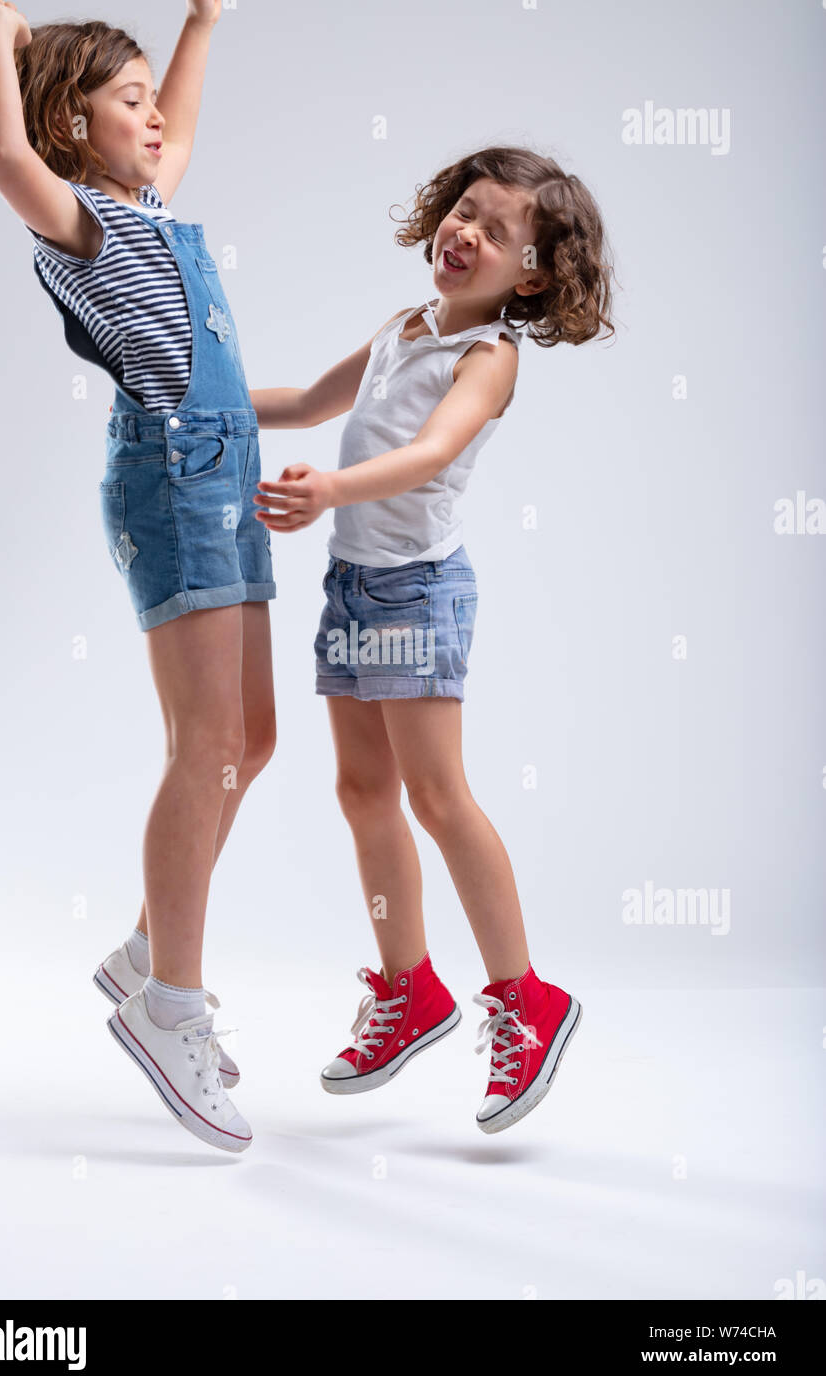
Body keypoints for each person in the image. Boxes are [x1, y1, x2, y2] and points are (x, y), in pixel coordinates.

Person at [0, 0, 273, 1153]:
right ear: (68, 123)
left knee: (257, 738)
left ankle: (145, 952)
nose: (154, 119)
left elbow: (179, 125)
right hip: (175, 480)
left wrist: (201, 21)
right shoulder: (82, 220)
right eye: (126, 100)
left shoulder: (156, 209)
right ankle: (169, 1005)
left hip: (230, 472)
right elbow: (0, 150)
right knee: (206, 746)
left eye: (151, 98)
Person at [250, 146, 615, 1133]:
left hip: (416, 594)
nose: (466, 231)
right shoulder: (403, 326)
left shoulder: (488, 356)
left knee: (438, 796)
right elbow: (307, 403)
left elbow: (428, 455)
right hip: (356, 585)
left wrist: (325, 491)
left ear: (529, 275)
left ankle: (527, 1001)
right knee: (361, 790)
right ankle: (410, 986)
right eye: (465, 209)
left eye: (497, 231)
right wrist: (205, 401)